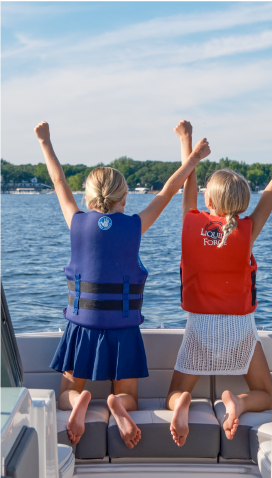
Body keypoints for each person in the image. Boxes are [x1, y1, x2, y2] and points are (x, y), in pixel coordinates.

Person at [39, 121, 210, 449]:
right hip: (123, 330)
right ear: (125, 199)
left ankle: (79, 402)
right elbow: (167, 191)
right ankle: (117, 406)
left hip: (82, 326)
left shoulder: (76, 221)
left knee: (65, 393)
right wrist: (193, 159)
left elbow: (58, 179)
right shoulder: (134, 226)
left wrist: (45, 141)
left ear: (88, 198)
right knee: (129, 396)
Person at [166, 128, 272, 446]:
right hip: (239, 328)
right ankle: (237, 402)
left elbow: (188, 185)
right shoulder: (247, 231)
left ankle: (181, 403)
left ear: (207, 200)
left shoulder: (190, 223)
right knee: (266, 394)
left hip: (200, 326)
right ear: (242, 203)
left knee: (173, 392)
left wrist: (186, 141)